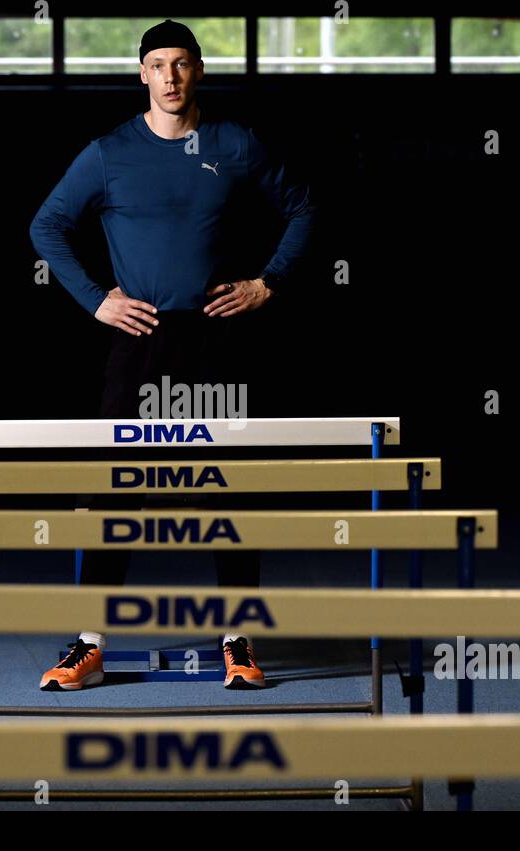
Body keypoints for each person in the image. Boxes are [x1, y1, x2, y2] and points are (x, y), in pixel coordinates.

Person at [28, 19, 315, 691]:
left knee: (228, 492)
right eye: (157, 64)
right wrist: (97, 299)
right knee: (113, 491)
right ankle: (90, 644)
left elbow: (304, 207)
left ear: (199, 72)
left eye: (181, 63)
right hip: (139, 343)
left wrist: (266, 283)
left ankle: (238, 641)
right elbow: (46, 224)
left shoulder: (233, 143)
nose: (170, 76)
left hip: (215, 340)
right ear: (142, 75)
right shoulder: (108, 153)